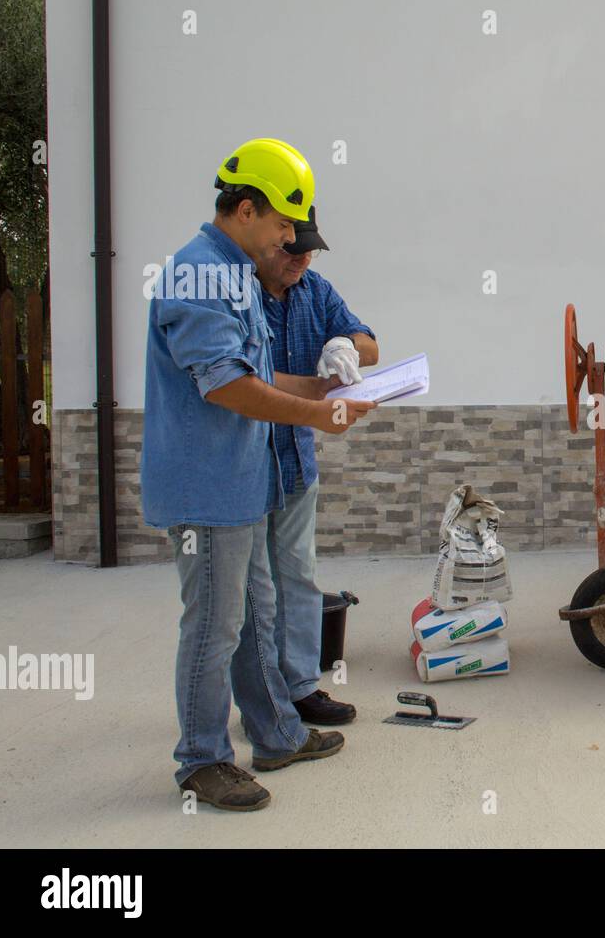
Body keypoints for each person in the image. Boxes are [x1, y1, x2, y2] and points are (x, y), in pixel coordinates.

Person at [141, 138, 376, 812]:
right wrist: (314, 412)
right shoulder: (199, 275)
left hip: (240, 482)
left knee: (256, 614)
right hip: (206, 487)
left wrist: (331, 395)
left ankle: (275, 733)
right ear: (244, 210)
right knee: (215, 627)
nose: (287, 240)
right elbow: (224, 386)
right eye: (281, 225)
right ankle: (201, 761)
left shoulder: (234, 273)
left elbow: (260, 377)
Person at [254, 205, 378, 725]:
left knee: (298, 576)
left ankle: (301, 688)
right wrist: (316, 390)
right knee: (253, 590)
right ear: (267, 241)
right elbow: (247, 376)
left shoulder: (316, 291)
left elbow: (371, 344)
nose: (302, 258)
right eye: (292, 248)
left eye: (310, 249)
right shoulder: (241, 296)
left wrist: (344, 343)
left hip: (297, 461)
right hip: (247, 463)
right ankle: (260, 698)